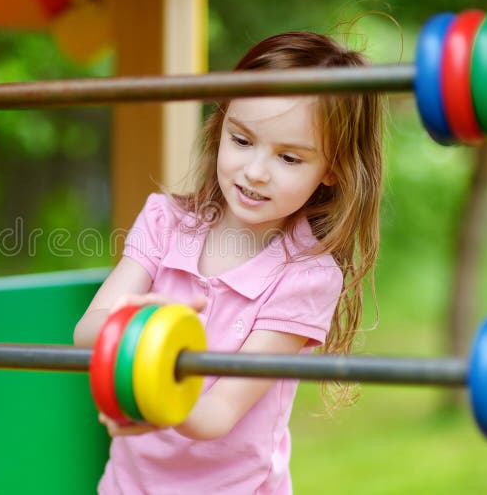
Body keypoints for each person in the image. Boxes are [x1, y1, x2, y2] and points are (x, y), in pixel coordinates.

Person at [73, 31, 384, 494]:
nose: (255, 170)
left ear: (333, 170)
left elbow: (219, 413)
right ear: (221, 126)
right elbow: (86, 333)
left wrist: (157, 398)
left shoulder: (306, 277)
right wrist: (141, 327)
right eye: (241, 140)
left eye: (288, 157)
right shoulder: (165, 222)